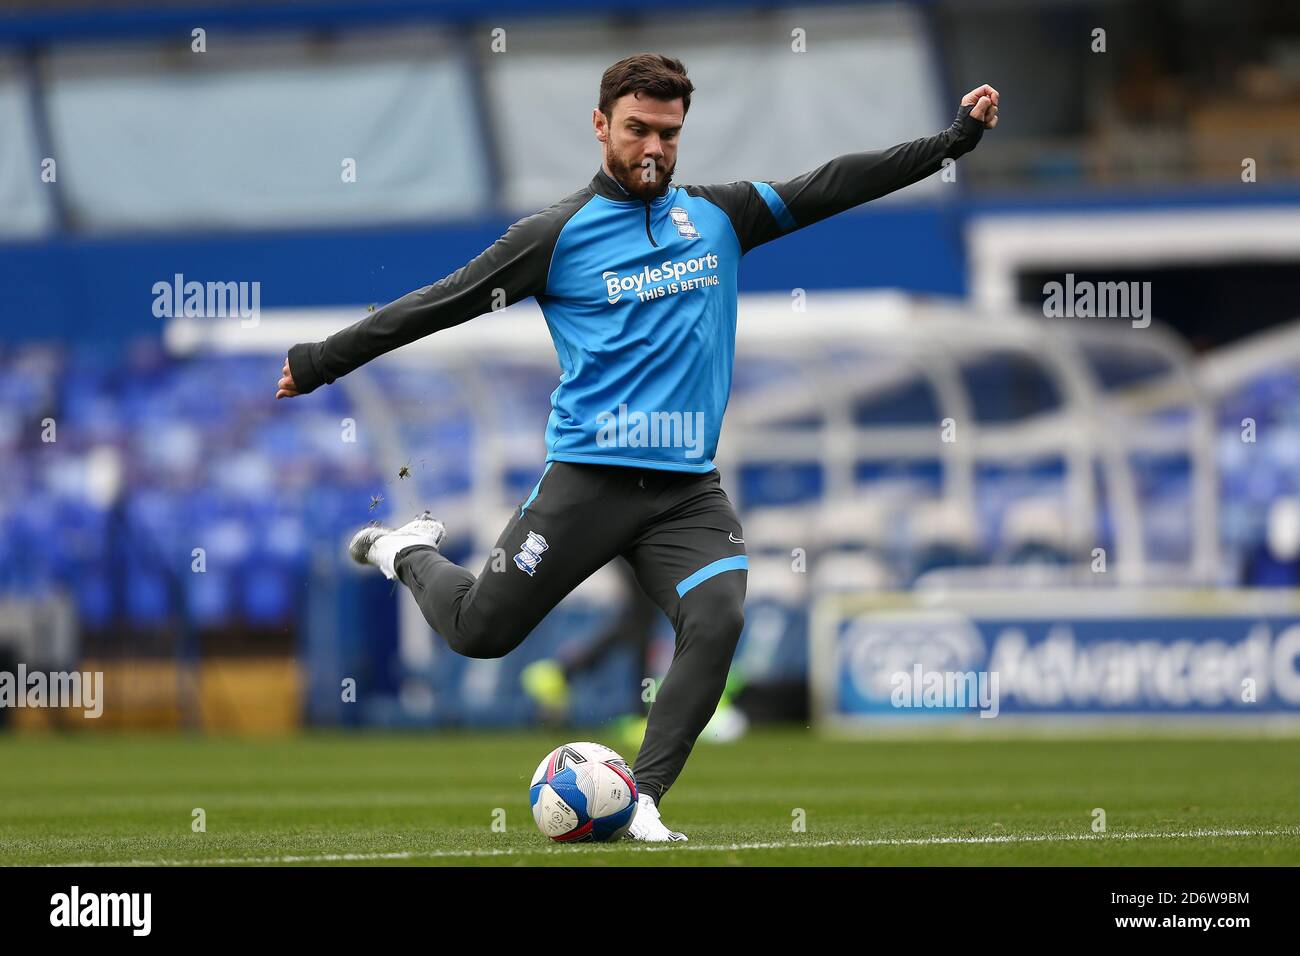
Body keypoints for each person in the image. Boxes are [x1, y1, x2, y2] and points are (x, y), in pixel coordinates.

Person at [276, 53, 998, 840]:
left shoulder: (722, 216)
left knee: (718, 619)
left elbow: (831, 183)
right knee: (483, 634)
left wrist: (950, 142)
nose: (653, 148)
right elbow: (440, 303)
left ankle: (642, 795)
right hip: (588, 481)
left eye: (668, 133)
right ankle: (408, 552)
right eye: (636, 130)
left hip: (686, 491)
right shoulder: (554, 236)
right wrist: (321, 361)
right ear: (600, 126)